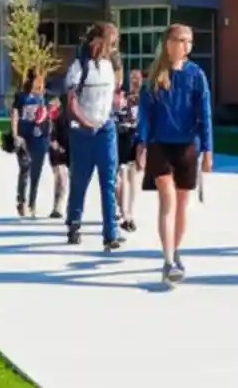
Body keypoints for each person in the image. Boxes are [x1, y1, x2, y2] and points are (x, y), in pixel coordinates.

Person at [136, 24, 213, 286]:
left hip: (187, 146)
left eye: (190, 41)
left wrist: (208, 149)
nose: (186, 46)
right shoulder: (156, 75)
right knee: (167, 201)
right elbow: (145, 113)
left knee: (182, 205)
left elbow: (205, 113)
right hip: (161, 145)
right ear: (169, 42)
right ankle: (168, 261)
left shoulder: (196, 75)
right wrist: (141, 142)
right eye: (181, 40)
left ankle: (175, 251)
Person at [64, 22, 122, 250]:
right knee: (80, 180)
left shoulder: (111, 65)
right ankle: (74, 222)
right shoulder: (79, 66)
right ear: (97, 41)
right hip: (83, 132)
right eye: (111, 41)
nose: (114, 47)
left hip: (105, 129)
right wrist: (84, 121)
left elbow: (116, 92)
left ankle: (111, 233)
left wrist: (117, 104)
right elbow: (71, 102)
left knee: (108, 181)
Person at [11, 70, 52, 218]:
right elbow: (14, 114)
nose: (41, 87)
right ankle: (21, 201)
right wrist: (15, 134)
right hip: (24, 137)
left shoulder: (43, 98)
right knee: (24, 168)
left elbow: (49, 114)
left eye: (42, 84)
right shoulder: (21, 97)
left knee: (36, 172)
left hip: (39, 138)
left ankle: (32, 203)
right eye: (38, 83)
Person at [114, 69, 143, 233]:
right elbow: (116, 116)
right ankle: (124, 212)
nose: (135, 81)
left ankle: (129, 214)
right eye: (132, 78)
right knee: (122, 178)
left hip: (136, 141)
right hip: (123, 139)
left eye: (138, 79)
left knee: (134, 179)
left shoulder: (144, 99)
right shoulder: (122, 97)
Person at [47, 92, 70, 219]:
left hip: (74, 146)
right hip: (57, 145)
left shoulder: (81, 102)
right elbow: (49, 126)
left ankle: (73, 207)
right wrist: (53, 142)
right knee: (60, 175)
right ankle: (57, 206)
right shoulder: (56, 105)